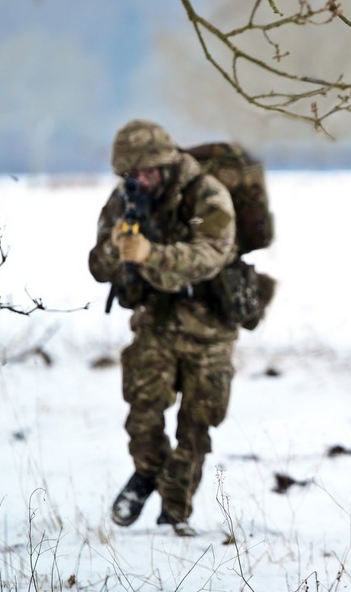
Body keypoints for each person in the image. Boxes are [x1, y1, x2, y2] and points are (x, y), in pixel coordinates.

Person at [88, 119, 239, 537]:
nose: (139, 180)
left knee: (195, 426)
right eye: (130, 174)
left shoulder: (207, 194)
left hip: (210, 329)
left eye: (146, 171)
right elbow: (98, 267)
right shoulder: (126, 202)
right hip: (155, 323)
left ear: (167, 164)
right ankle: (147, 474)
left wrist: (151, 254)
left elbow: (211, 255)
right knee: (143, 413)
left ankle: (175, 514)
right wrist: (116, 249)